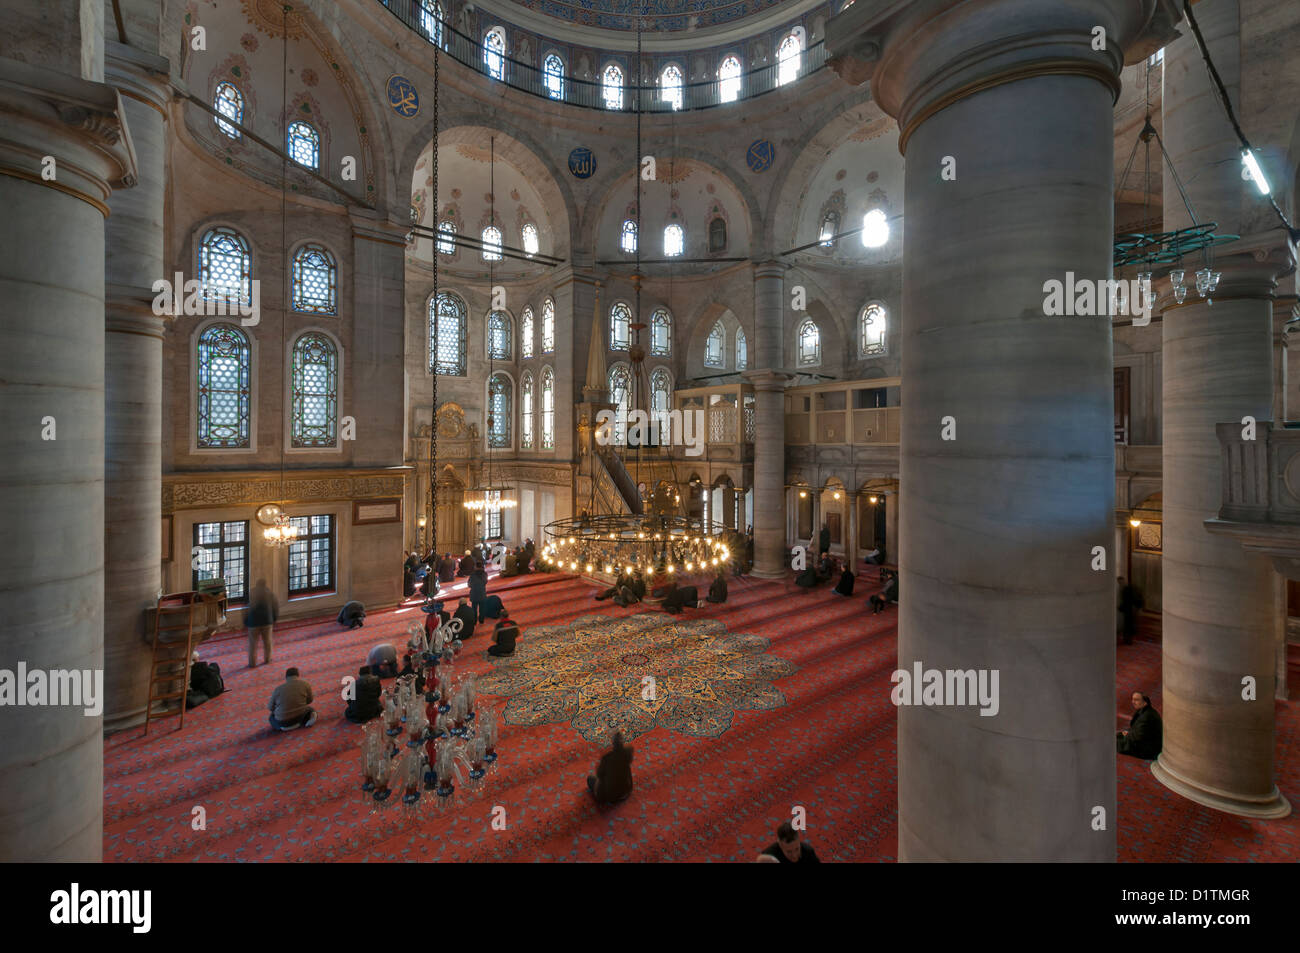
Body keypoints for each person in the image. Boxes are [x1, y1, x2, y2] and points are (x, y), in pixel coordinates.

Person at [587, 731, 634, 805]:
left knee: (590, 779)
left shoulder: (607, 757)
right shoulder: (628, 752)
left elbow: (600, 775)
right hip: (625, 791)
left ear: (613, 744)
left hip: (608, 797)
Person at [268, 667, 316, 731]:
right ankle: (309, 719)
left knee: (271, 717)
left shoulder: (278, 689)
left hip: (282, 722)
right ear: (298, 675)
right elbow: (310, 700)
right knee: (310, 709)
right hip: (300, 717)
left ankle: (281, 728)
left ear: (286, 677)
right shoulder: (305, 684)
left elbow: (270, 708)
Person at [1117, 692, 1163, 759]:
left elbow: (1137, 737)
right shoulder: (1145, 711)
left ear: (1145, 702)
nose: (1133, 702)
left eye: (1136, 700)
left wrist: (1126, 735)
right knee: (1119, 735)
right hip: (1143, 740)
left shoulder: (1147, 717)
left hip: (1149, 749)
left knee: (1115, 742)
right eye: (1133, 699)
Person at [244, 579, 277, 669]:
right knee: (267, 642)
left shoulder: (252, 593)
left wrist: (245, 621)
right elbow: (275, 607)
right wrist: (274, 619)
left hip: (253, 622)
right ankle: (267, 659)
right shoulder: (269, 593)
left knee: (253, 644)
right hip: (267, 622)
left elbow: (246, 608)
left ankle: (252, 663)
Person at [1118, 577, 1144, 645]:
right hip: (1128, 609)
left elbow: (1131, 599)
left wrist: (1137, 607)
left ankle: (1128, 639)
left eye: (1121, 582)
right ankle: (1127, 639)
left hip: (1131, 609)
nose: (1121, 584)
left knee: (1129, 625)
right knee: (1128, 625)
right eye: (1120, 582)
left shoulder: (1129, 589)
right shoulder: (1124, 589)